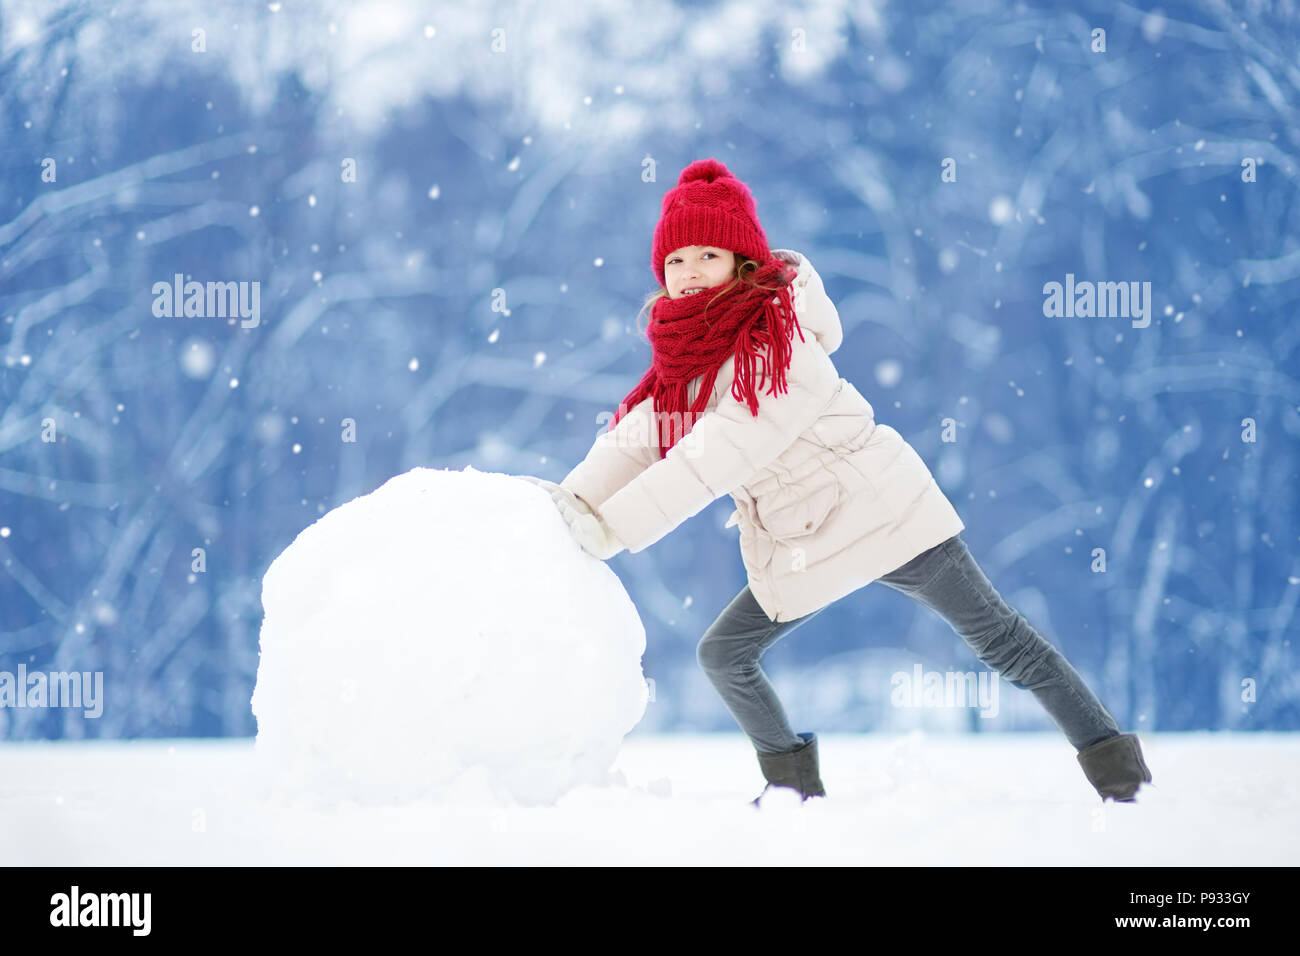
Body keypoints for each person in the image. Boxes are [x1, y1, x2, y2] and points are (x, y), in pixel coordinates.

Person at [525, 157, 1152, 807]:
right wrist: (567, 502)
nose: (688, 273)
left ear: (742, 262)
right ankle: (795, 798)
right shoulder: (690, 356)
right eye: (675, 260)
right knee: (724, 656)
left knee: (1004, 642)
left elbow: (717, 454)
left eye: (706, 255)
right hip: (804, 536)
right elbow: (644, 433)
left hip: (883, 511)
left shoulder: (778, 337)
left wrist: (613, 528)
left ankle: (1123, 780)